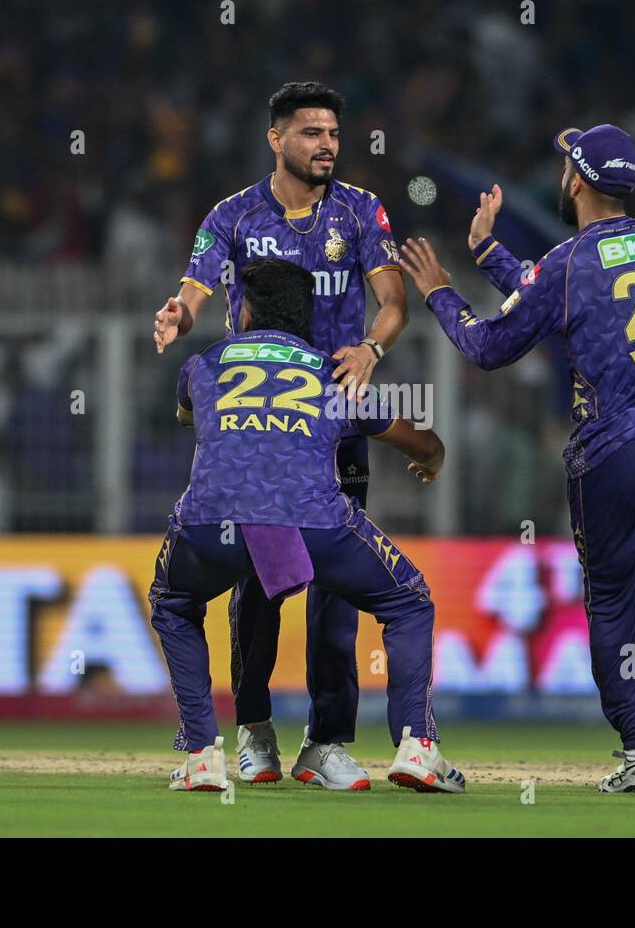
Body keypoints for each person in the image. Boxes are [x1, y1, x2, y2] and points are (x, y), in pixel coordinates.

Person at [398, 124, 635, 794]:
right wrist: (490, 251)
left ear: (575, 179)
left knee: (612, 602)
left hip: (621, 450)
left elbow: (490, 346)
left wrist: (441, 289)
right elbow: (556, 290)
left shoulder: (569, 262)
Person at [153, 82, 408, 789]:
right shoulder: (233, 214)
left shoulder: (360, 211)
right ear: (276, 139)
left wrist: (371, 351)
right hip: (267, 423)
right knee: (258, 583)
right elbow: (197, 284)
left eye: (333, 132)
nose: (326, 144)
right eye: (310, 133)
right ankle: (255, 730)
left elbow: (393, 300)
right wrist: (180, 313)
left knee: (337, 582)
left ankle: (326, 741)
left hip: (334, 420)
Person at [149, 259, 462, 794]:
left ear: (244, 310)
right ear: (308, 317)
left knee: (173, 603)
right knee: (408, 601)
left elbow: (186, 415)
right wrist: (432, 459)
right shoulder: (332, 371)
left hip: (213, 524)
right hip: (313, 523)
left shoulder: (204, 363)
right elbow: (420, 441)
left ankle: (203, 754)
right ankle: (416, 747)